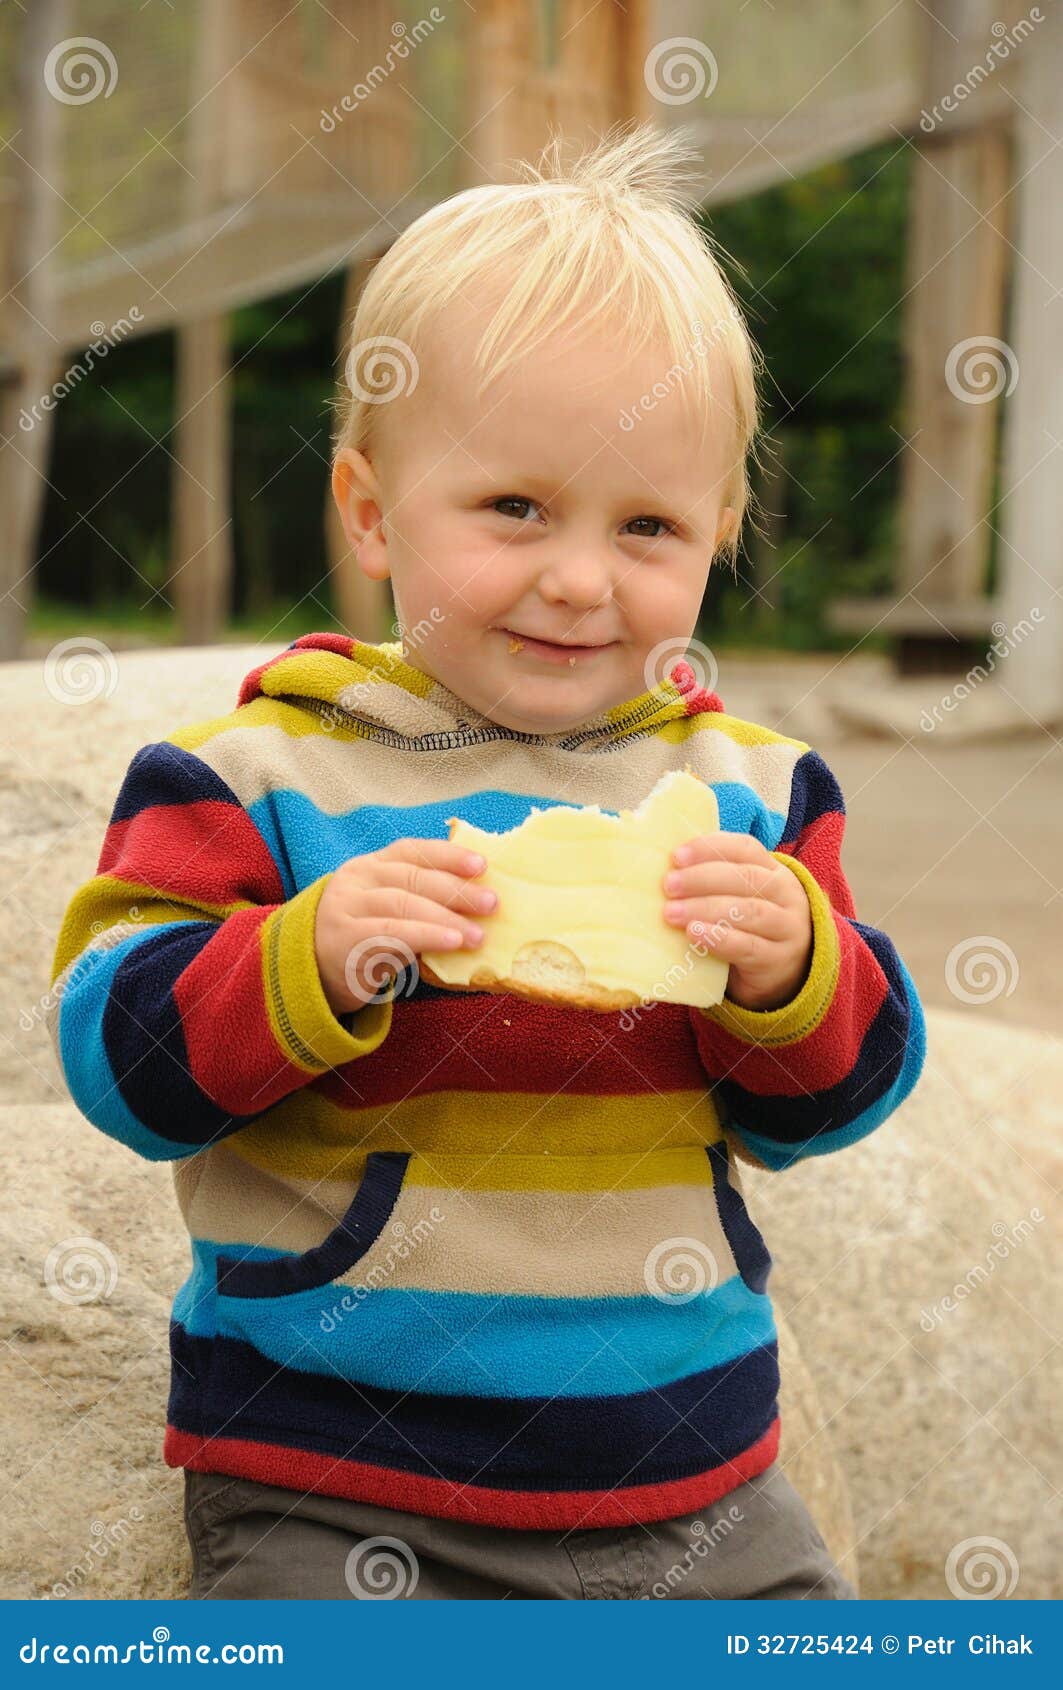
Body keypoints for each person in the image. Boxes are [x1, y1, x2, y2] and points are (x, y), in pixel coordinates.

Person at [47, 122, 925, 1601]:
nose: (579, 576)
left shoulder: (754, 793)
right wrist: (300, 957)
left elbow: (829, 1103)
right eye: (514, 507)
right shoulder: (258, 774)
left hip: (696, 1482)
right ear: (375, 510)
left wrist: (793, 968)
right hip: (339, 1475)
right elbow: (116, 1061)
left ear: (718, 532)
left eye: (647, 524)